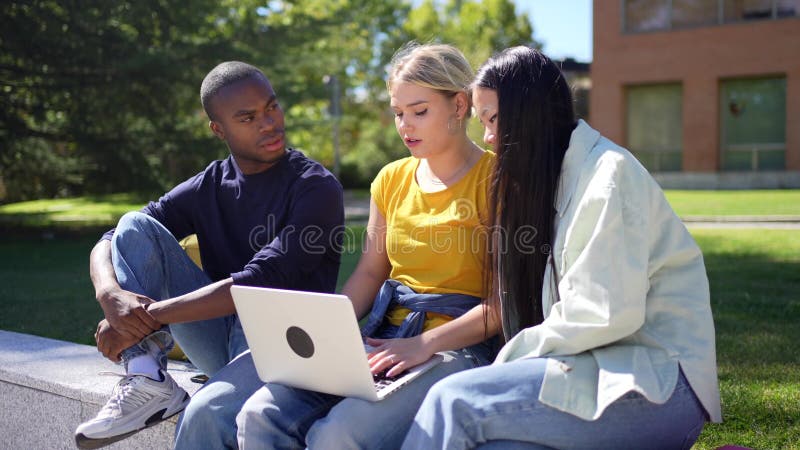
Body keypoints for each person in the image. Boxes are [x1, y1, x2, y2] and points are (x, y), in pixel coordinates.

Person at [402, 46, 722, 449]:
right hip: (596, 369)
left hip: (658, 383)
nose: (487, 137)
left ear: (529, 112)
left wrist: (506, 363)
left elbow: (603, 312)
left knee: (453, 400)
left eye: (493, 119)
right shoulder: (555, 179)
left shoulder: (608, 176)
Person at [231, 42, 499, 450]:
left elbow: (501, 304)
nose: (405, 125)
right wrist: (330, 332)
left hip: (459, 350)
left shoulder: (496, 179)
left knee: (338, 434)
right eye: (398, 113)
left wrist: (420, 345)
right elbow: (371, 273)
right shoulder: (390, 179)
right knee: (260, 416)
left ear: (460, 106)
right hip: (384, 340)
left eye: (419, 111)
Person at [73, 61, 344, 449]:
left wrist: (141, 319)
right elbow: (114, 237)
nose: (269, 123)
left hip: (287, 346)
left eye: (272, 107)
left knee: (205, 412)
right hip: (221, 336)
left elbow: (258, 283)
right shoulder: (211, 183)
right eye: (248, 117)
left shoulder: (316, 188)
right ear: (219, 129)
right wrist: (110, 297)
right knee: (135, 223)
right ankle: (146, 373)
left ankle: (148, 360)